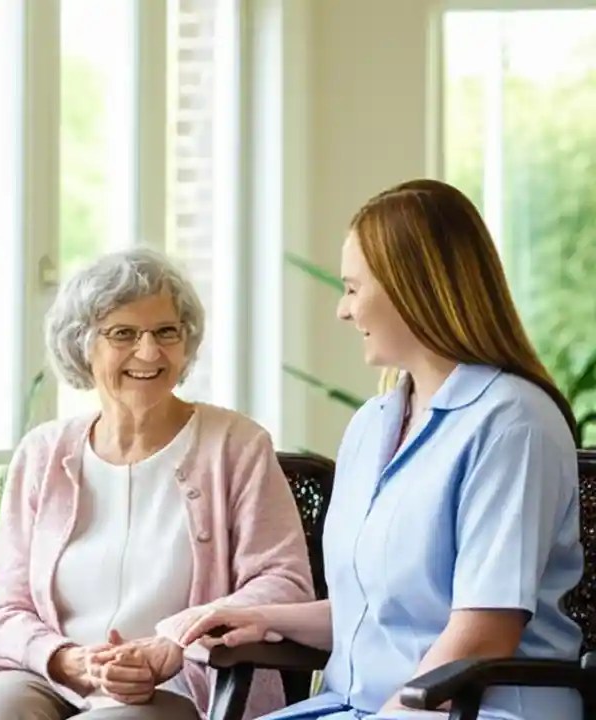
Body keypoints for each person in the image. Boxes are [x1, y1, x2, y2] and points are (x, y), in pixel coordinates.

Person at [177, 179, 586, 720]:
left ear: (412, 287)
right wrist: (270, 620)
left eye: (352, 288)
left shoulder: (513, 422)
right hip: (360, 706)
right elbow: (380, 612)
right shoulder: (373, 425)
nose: (343, 311)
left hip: (480, 712)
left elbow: (484, 633)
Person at [0, 247, 315, 720]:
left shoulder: (236, 446)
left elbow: (284, 583)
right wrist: (64, 658)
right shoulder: (43, 454)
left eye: (166, 332)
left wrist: (175, 641)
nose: (149, 352)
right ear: (82, 345)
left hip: (184, 681)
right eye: (123, 334)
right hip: (49, 674)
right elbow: (6, 609)